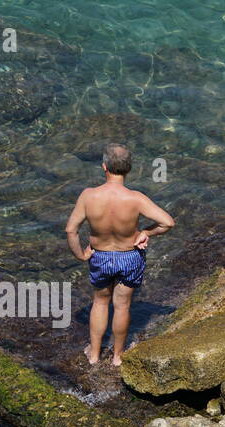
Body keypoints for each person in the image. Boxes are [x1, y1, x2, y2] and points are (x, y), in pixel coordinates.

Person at [65, 143, 176, 366]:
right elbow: (168, 222)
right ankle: (117, 356)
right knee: (123, 305)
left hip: (101, 256)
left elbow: (71, 230)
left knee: (100, 302)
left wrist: (80, 255)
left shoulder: (89, 196)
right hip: (129, 257)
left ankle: (94, 354)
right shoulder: (136, 198)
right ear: (128, 169)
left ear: (104, 167)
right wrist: (146, 232)